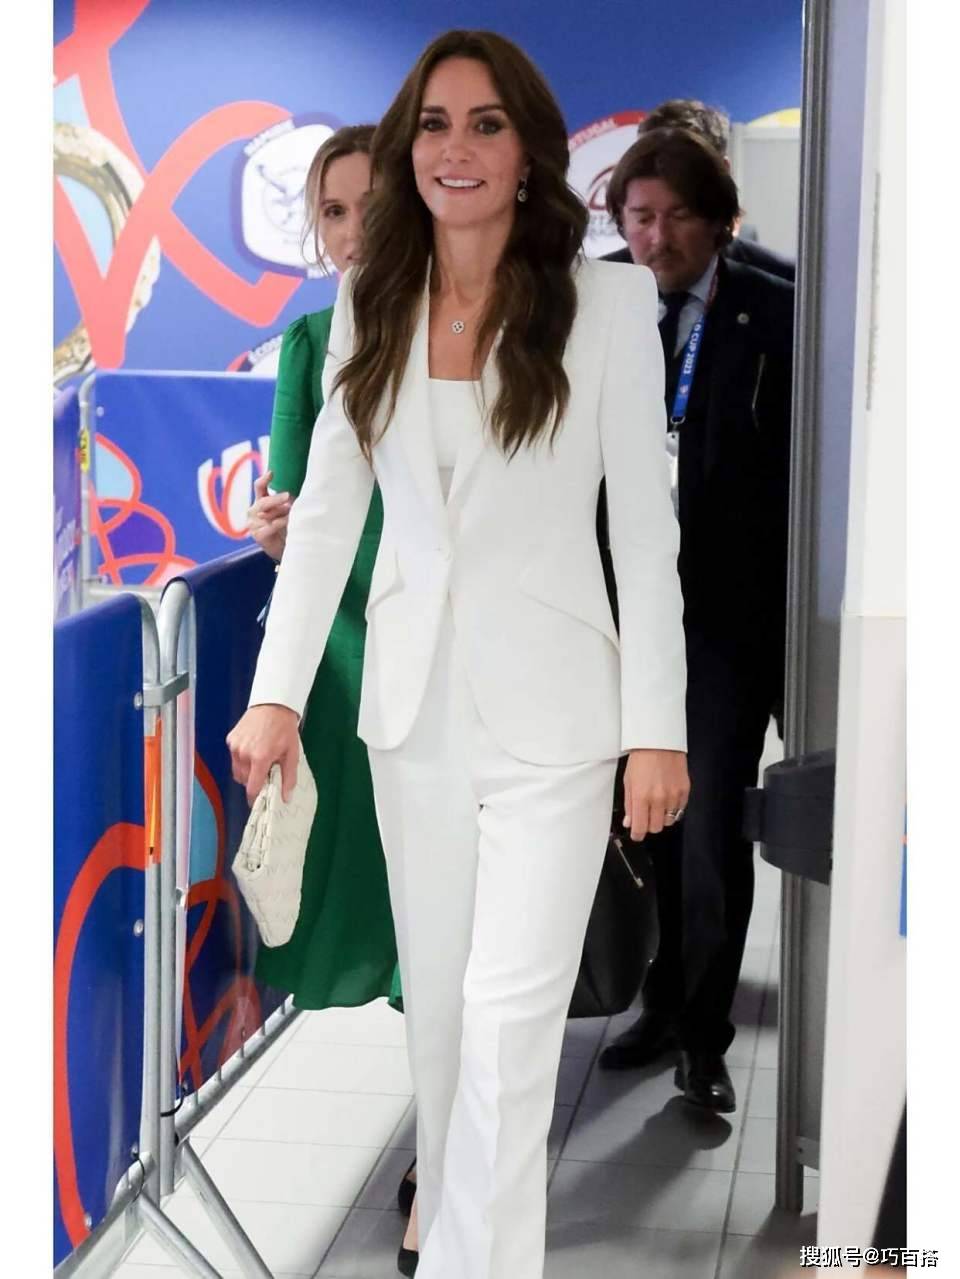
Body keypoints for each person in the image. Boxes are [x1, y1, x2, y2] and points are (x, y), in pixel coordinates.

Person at [227, 28, 688, 1279]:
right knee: (438, 1019)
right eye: (435, 123)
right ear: (408, 150)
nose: (458, 147)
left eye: (487, 123)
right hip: (411, 716)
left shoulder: (605, 307)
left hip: (559, 720)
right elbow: (328, 515)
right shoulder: (370, 303)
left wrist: (658, 727)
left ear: (528, 152)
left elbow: (646, 536)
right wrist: (276, 697)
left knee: (506, 1022)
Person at [243, 123, 419, 1244]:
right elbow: (292, 502)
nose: (353, 232)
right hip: (343, 653)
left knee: (447, 921)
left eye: (370, 206)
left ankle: (447, 1155)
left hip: (455, 661)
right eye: (333, 211)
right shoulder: (311, 340)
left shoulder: (466, 324)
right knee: (374, 890)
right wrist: (277, 529)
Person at [598, 127, 794, 1115]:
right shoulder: (596, 301)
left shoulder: (776, 306)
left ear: (719, 220)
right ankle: (660, 1000)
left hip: (725, 617)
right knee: (648, 824)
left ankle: (704, 1037)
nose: (657, 236)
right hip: (621, 611)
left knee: (710, 825)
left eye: (677, 216)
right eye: (640, 216)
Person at [603, 98, 796, 282]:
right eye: (645, 218)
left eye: (681, 215)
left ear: (722, 171)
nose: (661, 238)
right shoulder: (597, 284)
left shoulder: (787, 286)